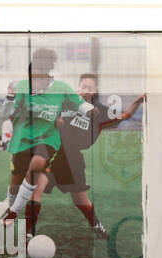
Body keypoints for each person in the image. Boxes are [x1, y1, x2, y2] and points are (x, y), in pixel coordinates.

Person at [0, 48, 91, 234]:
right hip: (23, 140)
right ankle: (10, 203)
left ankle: (13, 211)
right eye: (38, 62)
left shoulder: (62, 88)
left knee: (37, 164)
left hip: (48, 138)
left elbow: (80, 104)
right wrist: (10, 97)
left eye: (46, 63)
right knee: (15, 183)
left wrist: (91, 110)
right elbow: (6, 113)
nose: (41, 66)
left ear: (50, 66)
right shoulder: (22, 86)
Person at [45, 74, 146, 240]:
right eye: (83, 86)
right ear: (78, 87)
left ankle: (96, 225)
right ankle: (25, 229)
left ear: (96, 90)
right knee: (30, 187)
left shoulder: (99, 112)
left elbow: (124, 116)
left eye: (90, 88)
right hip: (51, 153)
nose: (85, 90)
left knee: (80, 199)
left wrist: (137, 101)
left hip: (72, 159)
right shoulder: (65, 102)